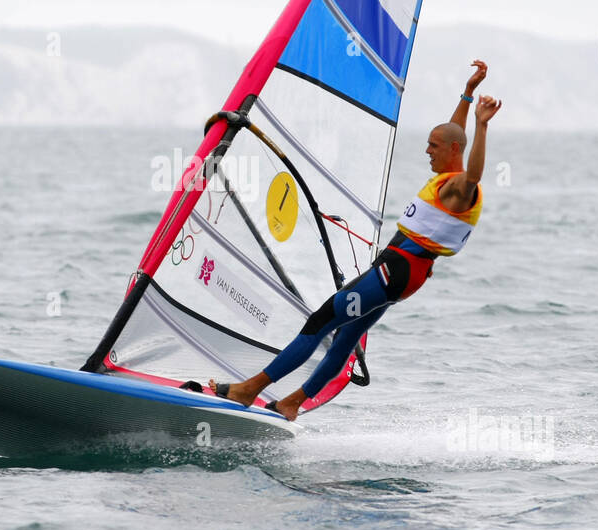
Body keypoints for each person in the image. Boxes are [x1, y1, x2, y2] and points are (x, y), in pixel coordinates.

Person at [210, 60, 502, 420]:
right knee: (346, 338)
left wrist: (482, 126)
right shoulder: (449, 173)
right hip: (402, 275)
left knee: (321, 321)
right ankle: (290, 404)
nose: (427, 151)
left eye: (433, 146)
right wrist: (468, 93)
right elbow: (455, 132)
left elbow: (472, 171)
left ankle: (249, 388)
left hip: (394, 271)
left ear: (452, 151)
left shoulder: (460, 188)